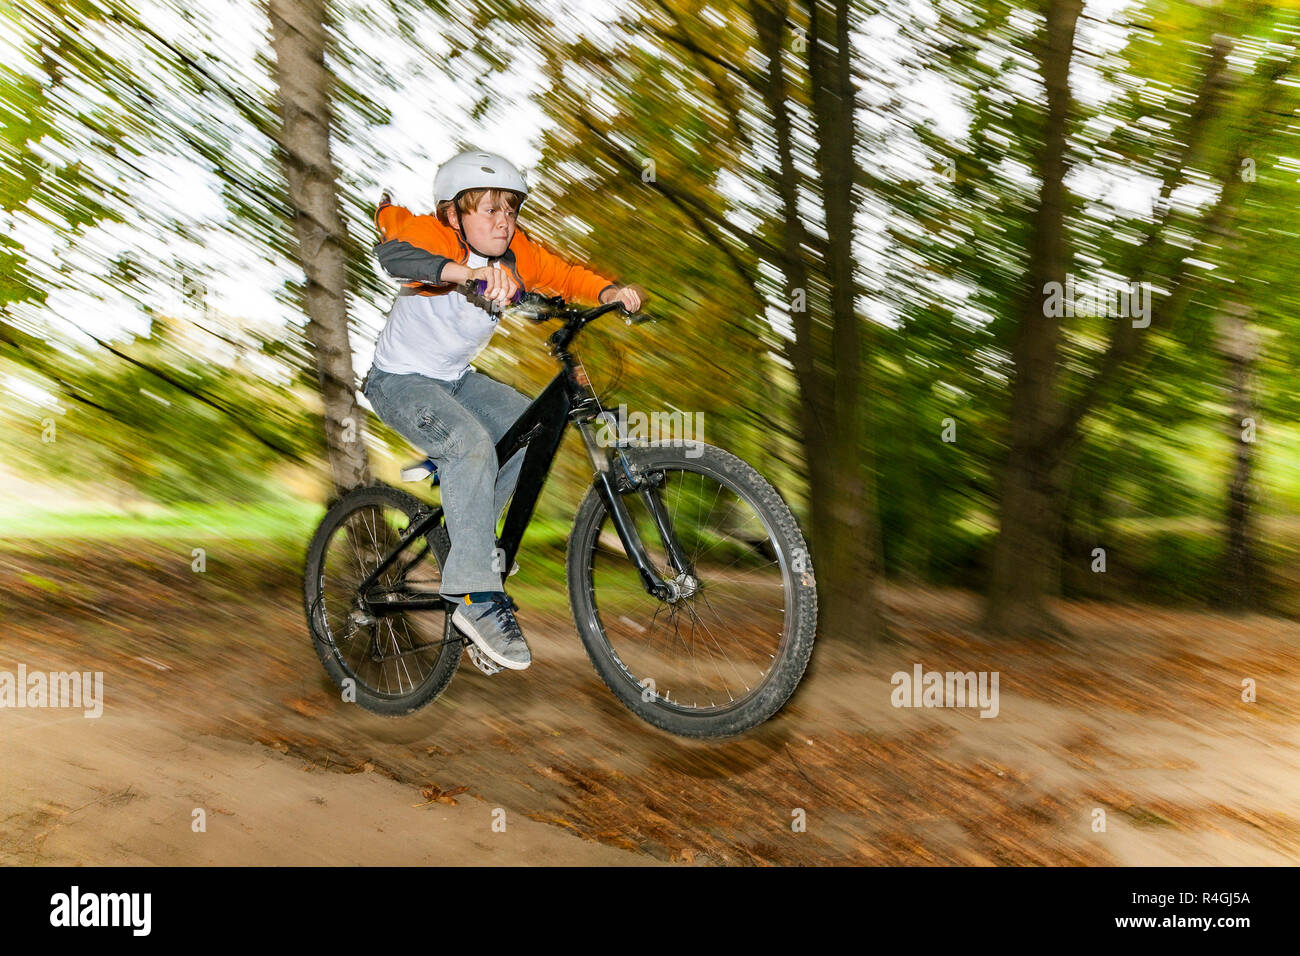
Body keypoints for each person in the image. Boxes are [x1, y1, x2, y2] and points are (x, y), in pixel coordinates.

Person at [362, 149, 643, 672]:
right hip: (398, 381)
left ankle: (473, 550)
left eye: (510, 210)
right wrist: (459, 272)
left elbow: (564, 275)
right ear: (454, 214)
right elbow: (394, 251)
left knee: (535, 426)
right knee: (468, 444)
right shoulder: (432, 234)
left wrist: (609, 290)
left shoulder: (517, 254)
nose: (503, 221)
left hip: (455, 381)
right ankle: (474, 597)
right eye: (488, 210)